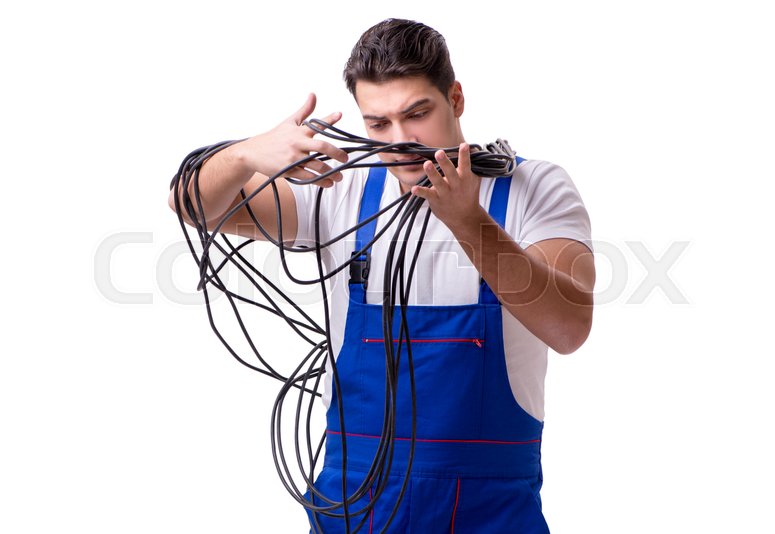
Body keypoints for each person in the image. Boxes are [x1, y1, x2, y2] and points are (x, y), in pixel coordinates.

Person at [169, 18, 594, 533]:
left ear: (455, 98)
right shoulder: (342, 190)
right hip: (356, 499)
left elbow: (569, 327)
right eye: (378, 124)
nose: (401, 140)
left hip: (491, 508)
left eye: (418, 113)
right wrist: (239, 156)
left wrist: (468, 222)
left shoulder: (532, 187)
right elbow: (191, 204)